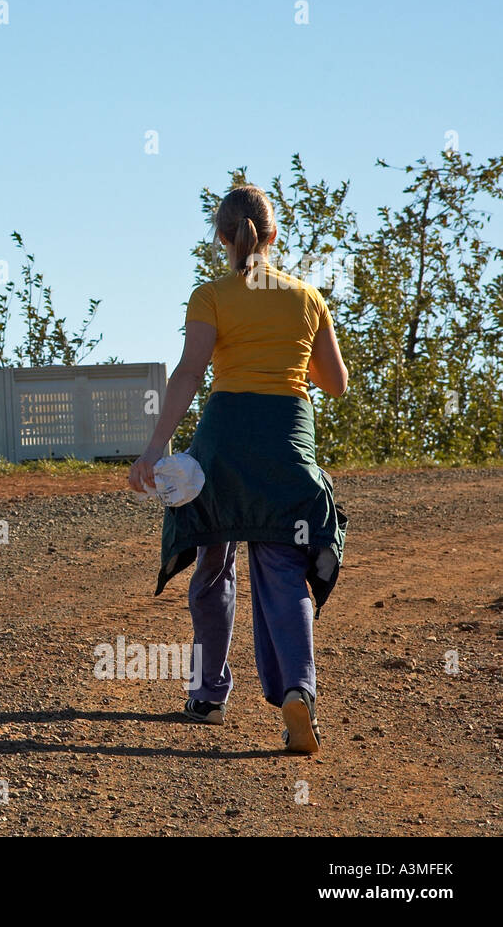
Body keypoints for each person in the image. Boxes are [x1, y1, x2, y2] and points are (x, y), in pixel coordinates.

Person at [129, 183, 349, 754]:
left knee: (213, 563)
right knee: (282, 569)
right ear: (274, 235)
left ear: (222, 240)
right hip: (285, 441)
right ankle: (299, 690)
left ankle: (207, 694)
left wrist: (156, 446)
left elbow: (189, 372)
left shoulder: (210, 296)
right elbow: (337, 384)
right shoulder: (306, 297)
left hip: (224, 439)